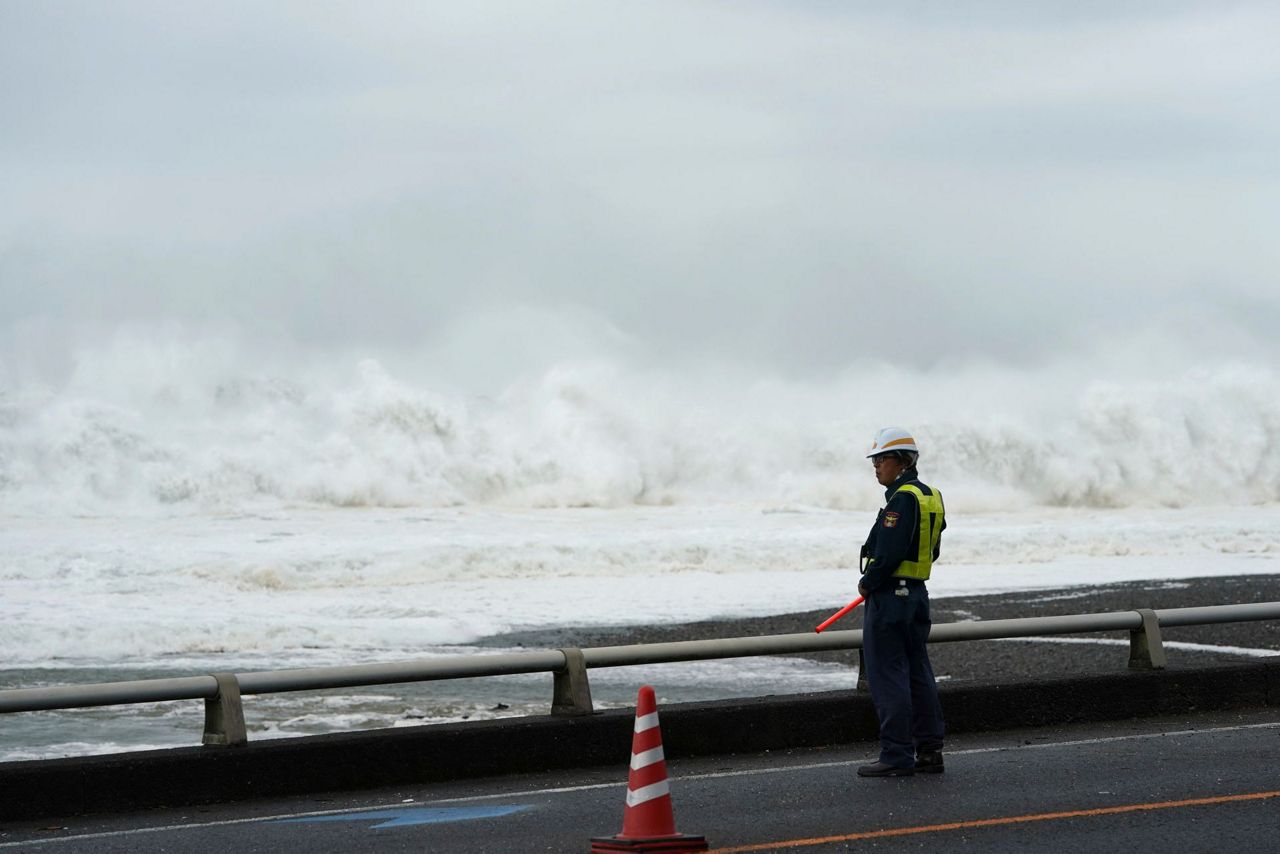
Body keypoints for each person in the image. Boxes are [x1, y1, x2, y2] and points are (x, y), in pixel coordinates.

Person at [856, 426, 947, 778]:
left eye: (880, 459)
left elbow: (890, 551)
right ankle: (929, 750)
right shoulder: (931, 496)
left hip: (890, 598)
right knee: (918, 671)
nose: (876, 466)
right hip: (917, 595)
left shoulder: (901, 499)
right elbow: (933, 548)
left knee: (888, 674)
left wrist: (869, 582)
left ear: (900, 461)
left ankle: (896, 754)